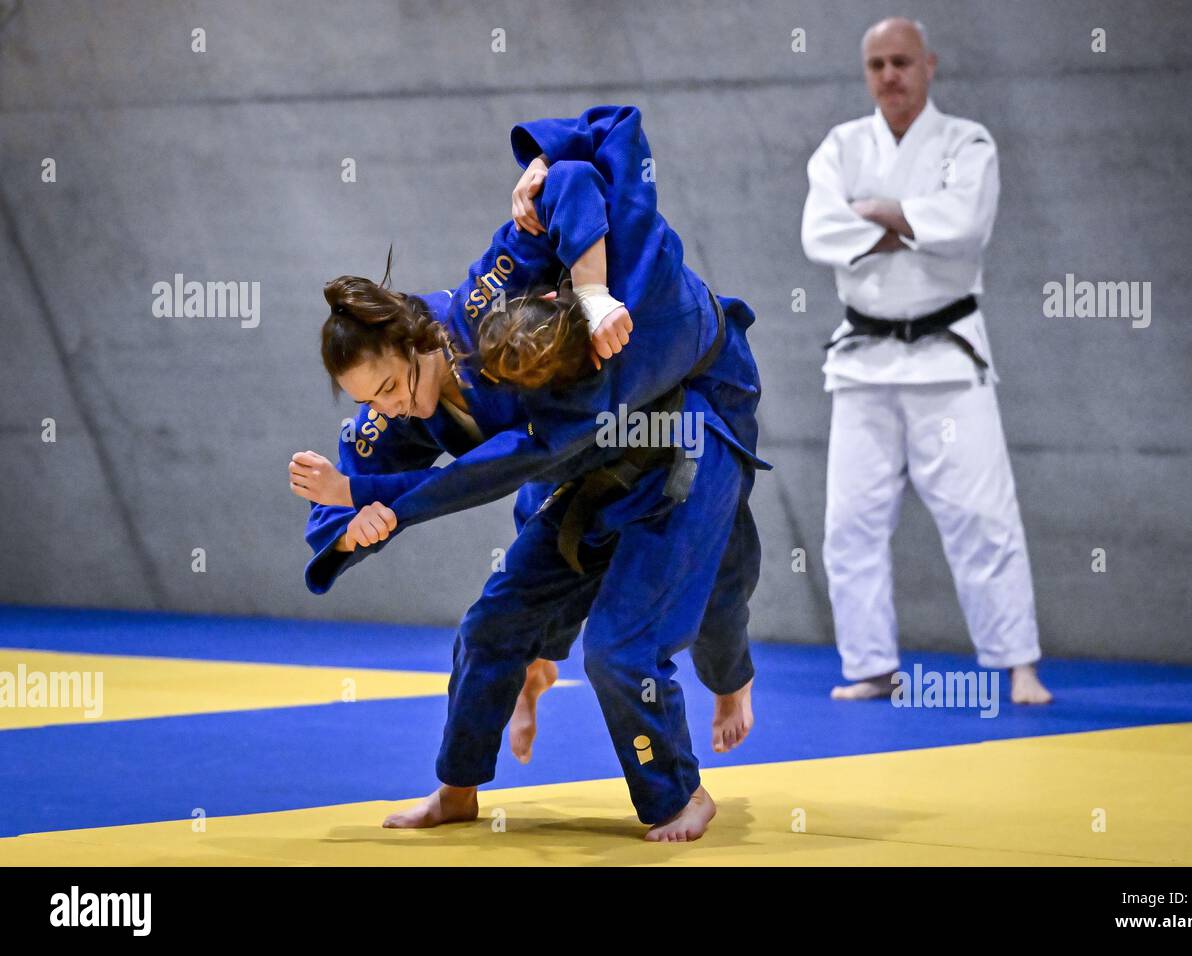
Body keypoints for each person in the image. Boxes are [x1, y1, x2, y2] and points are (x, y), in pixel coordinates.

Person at [291, 106, 769, 839]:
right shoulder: (401, 400)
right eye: (372, 399)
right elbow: (361, 471)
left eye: (391, 385)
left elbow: (582, 168)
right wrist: (354, 522)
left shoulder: (512, 296)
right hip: (585, 469)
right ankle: (455, 788)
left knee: (667, 620)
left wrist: (586, 277)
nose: (390, 406)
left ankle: (689, 775)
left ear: (423, 339)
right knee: (493, 625)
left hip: (690, 425)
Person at [800, 18, 1051, 704]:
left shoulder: (968, 142)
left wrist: (877, 212)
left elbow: (964, 227)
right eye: (877, 64)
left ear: (929, 65)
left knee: (981, 516)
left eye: (901, 62)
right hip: (862, 361)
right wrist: (915, 223)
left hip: (947, 357)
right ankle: (872, 667)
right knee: (850, 523)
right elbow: (821, 234)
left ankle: (1017, 665)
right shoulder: (841, 146)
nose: (890, 76)